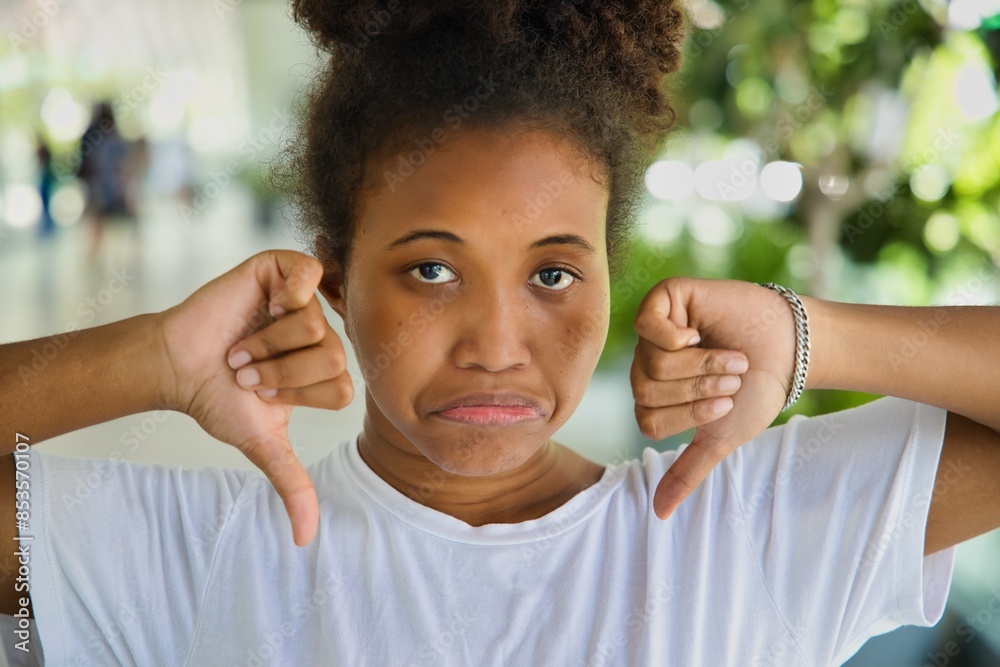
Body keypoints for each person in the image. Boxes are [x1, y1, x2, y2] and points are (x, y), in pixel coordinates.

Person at [1, 1, 998, 664]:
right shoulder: (207, 552)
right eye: (431, 269)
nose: (496, 341)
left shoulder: (745, 532)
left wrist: (809, 332)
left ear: (613, 279)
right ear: (336, 285)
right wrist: (157, 359)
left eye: (554, 272)